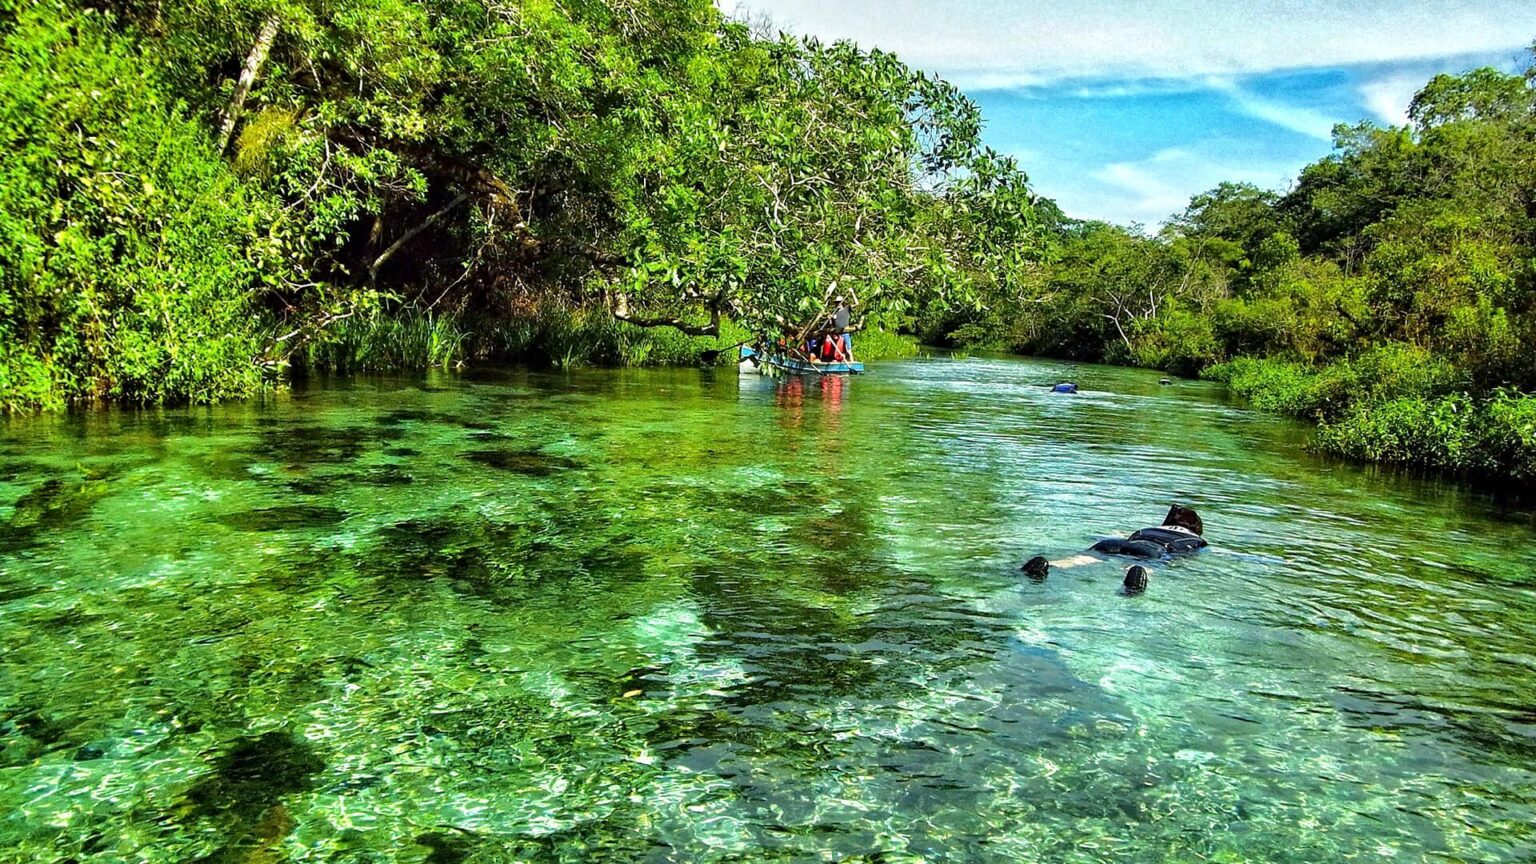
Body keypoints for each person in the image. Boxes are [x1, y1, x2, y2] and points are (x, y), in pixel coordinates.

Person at [1020, 505, 1207, 577]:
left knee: (1082, 559)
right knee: (1147, 566)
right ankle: (1135, 576)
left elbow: (1121, 534)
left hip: (1113, 542)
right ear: (1196, 530)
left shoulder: (1147, 529)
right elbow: (1184, 557)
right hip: (1153, 551)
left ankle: (1049, 564)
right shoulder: (1196, 540)